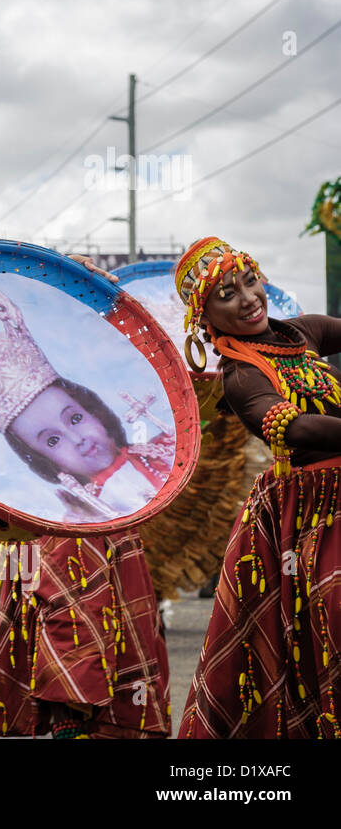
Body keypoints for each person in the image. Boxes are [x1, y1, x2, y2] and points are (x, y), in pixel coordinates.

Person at [0, 285, 171, 738]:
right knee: (80, 701)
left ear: (92, 406)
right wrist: (75, 690)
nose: (76, 439)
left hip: (126, 571)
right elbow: (68, 625)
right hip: (70, 576)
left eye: (73, 418)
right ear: (38, 463)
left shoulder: (156, 457)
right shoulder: (55, 526)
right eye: (50, 442)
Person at [177, 237, 341, 738]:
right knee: (330, 620)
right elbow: (294, 429)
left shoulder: (301, 331)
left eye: (250, 281)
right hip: (313, 510)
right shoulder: (240, 375)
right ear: (204, 318)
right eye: (227, 294)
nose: (248, 298)